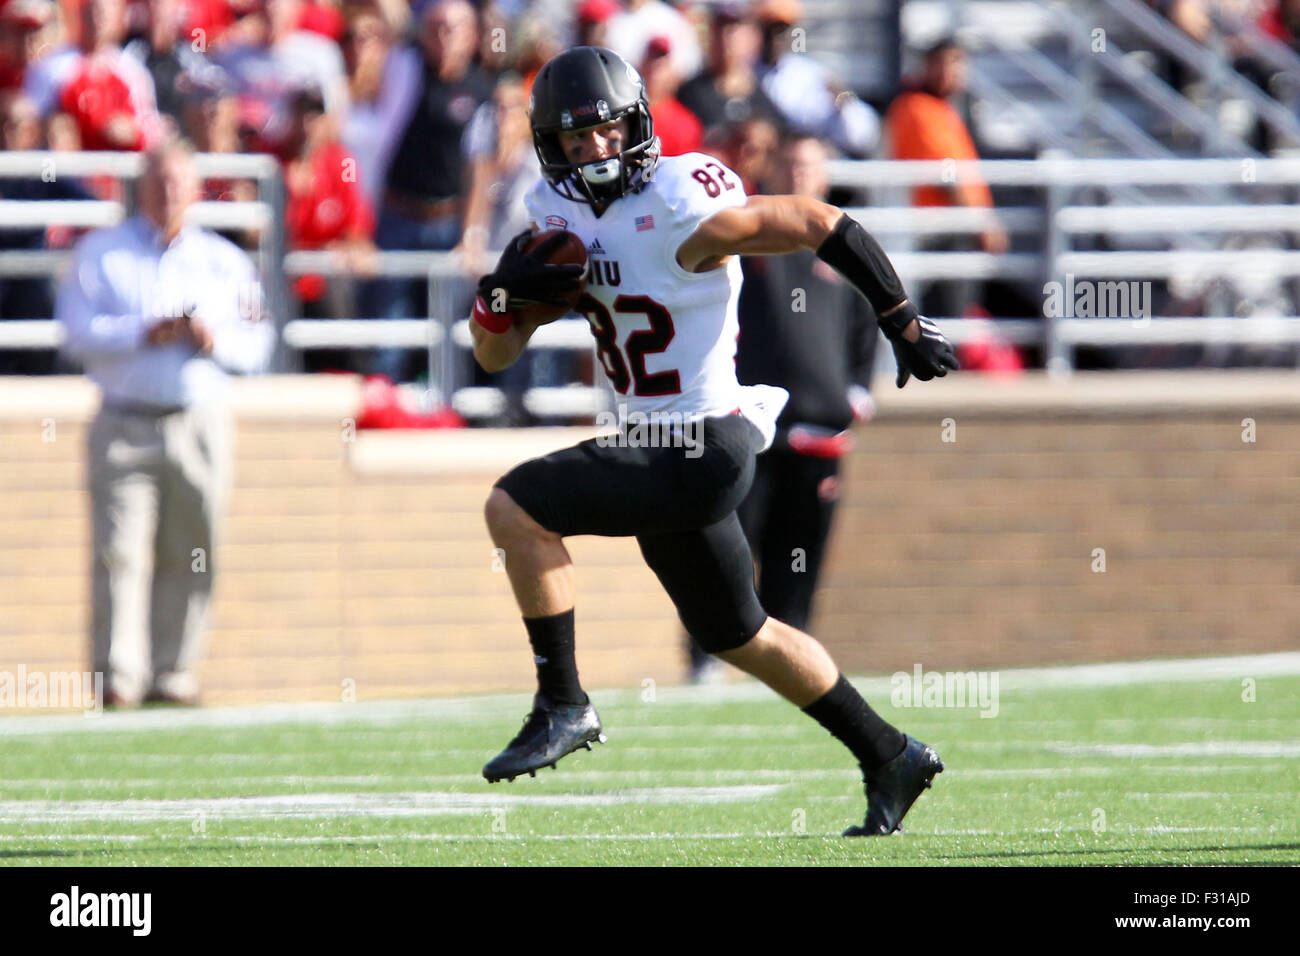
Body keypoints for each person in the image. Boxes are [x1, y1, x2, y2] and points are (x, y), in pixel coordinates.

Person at [470, 47, 958, 836]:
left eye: (605, 130)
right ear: (548, 146)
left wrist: (898, 319)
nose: (592, 149)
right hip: (656, 446)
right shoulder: (552, 216)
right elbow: (496, 354)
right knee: (740, 633)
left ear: (636, 127)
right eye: (573, 138)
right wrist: (498, 303)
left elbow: (813, 220)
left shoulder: (677, 203)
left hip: (703, 441)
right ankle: (891, 753)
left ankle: (563, 702)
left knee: (515, 508)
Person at [56, 140, 275, 708]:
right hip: (124, 419)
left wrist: (213, 339)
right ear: (140, 186)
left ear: (196, 189)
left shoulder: (223, 261)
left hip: (197, 421)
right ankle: (117, 677)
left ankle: (173, 672)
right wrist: (141, 331)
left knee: (194, 549)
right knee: (118, 551)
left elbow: (258, 345)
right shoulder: (102, 252)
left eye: (179, 182)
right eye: (158, 181)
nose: (169, 192)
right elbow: (75, 332)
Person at [685, 132, 878, 682]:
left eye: (809, 165)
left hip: (819, 428)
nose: (799, 175)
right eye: (790, 164)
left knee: (800, 560)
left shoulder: (841, 247)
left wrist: (856, 390)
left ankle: (796, 667)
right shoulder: (750, 234)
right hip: (750, 425)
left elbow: (865, 326)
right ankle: (707, 658)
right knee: (732, 546)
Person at [884, 37, 1008, 319]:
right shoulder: (914, 106)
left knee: (956, 318)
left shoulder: (944, 109)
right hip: (939, 232)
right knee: (945, 322)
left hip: (954, 229)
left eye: (955, 63)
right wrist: (980, 223)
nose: (948, 72)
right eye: (941, 63)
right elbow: (944, 177)